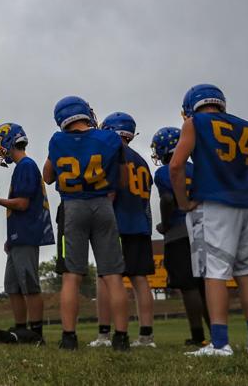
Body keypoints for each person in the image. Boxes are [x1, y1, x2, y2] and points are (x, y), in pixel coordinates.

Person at [171, 84, 248, 357]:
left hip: (216, 205)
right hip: (247, 207)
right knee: (246, 274)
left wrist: (183, 203)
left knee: (214, 273)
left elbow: (175, 165)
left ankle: (220, 343)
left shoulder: (196, 123)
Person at [43, 95, 128, 351]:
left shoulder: (57, 141)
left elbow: (47, 177)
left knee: (71, 277)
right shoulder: (109, 138)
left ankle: (69, 337)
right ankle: (121, 337)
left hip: (72, 208)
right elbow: (122, 181)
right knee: (113, 275)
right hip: (103, 205)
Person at [0, 123, 52, 342]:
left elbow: (22, 204)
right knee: (13, 286)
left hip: (27, 233)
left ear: (9, 141)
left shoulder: (26, 166)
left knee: (29, 285)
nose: (0, 152)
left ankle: (36, 333)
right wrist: (10, 237)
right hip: (18, 236)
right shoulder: (21, 167)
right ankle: (21, 329)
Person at [93, 112, 156, 348]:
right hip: (139, 225)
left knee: (106, 279)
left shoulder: (109, 154)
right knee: (140, 280)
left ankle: (104, 334)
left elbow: (110, 191)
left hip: (115, 224)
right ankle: (147, 336)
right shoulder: (141, 161)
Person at [151, 126, 209, 347]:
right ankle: (217, 334)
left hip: (178, 230)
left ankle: (197, 336)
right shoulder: (198, 169)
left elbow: (167, 200)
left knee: (188, 286)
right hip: (203, 229)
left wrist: (165, 224)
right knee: (205, 284)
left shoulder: (164, 172)